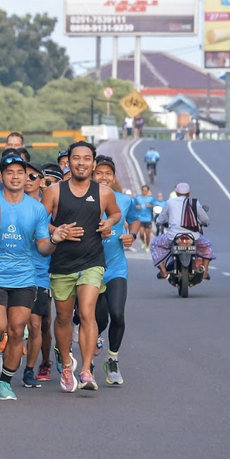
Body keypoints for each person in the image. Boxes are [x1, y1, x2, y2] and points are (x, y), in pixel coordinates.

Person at [0, 156, 70, 400]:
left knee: (17, 330)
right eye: (10, 172)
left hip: (24, 277)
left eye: (22, 172)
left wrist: (54, 240)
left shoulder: (37, 209)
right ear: (2, 177)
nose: (17, 176)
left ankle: (5, 382)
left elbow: (42, 246)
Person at [42, 141, 121, 394]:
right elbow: (38, 223)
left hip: (92, 262)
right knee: (64, 317)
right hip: (62, 263)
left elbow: (116, 213)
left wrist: (108, 223)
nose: (81, 163)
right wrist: (58, 231)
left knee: (87, 313)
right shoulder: (54, 191)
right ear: (69, 161)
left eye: (87, 158)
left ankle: (86, 370)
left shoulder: (104, 193)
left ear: (93, 163)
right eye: (76, 158)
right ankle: (67, 364)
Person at [92, 156, 140, 386]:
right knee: (98, 320)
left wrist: (133, 235)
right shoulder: (83, 200)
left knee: (118, 315)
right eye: (98, 172)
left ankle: (112, 360)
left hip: (116, 268)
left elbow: (135, 221)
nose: (103, 177)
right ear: (92, 175)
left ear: (113, 177)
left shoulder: (124, 200)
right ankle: (90, 347)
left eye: (108, 173)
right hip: (90, 267)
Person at [24, 164, 64, 385]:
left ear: (41, 181)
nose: (27, 179)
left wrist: (53, 232)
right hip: (11, 272)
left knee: (39, 324)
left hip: (42, 272)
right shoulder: (7, 203)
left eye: (33, 176)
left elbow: (57, 233)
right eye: (23, 175)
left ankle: (38, 364)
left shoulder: (47, 207)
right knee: (10, 325)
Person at [150, 182, 214, 280]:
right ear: (189, 193)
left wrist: (158, 222)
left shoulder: (170, 202)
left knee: (154, 244)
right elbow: (205, 219)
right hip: (193, 237)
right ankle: (205, 271)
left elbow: (161, 218)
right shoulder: (194, 202)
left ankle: (163, 271)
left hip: (173, 236)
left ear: (176, 193)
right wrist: (206, 223)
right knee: (207, 245)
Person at [133, 184, 156, 251]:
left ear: (148, 191)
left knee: (148, 234)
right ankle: (143, 241)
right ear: (141, 191)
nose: (144, 192)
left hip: (148, 218)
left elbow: (155, 205)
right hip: (140, 218)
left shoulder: (151, 198)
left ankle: (147, 246)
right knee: (141, 233)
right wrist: (136, 207)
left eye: (146, 190)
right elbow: (133, 205)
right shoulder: (138, 198)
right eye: (143, 190)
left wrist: (151, 206)